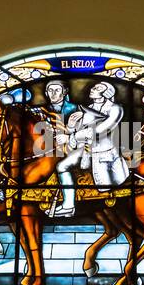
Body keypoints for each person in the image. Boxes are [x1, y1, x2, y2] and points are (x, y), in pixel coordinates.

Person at [50, 81, 127, 217]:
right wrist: (72, 125)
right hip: (86, 150)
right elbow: (78, 131)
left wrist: (71, 137)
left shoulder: (115, 109)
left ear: (106, 92)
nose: (92, 89)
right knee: (61, 166)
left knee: (106, 186)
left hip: (104, 153)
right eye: (93, 87)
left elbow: (99, 131)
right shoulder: (87, 108)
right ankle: (68, 206)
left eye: (97, 88)